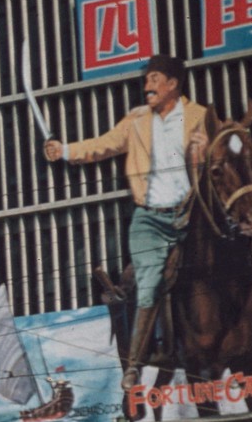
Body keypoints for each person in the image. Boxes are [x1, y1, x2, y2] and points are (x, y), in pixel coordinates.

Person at [44, 54, 212, 381]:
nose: (147, 86)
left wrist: (204, 151)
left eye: (154, 79)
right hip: (150, 218)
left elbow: (220, 155)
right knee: (148, 283)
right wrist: (64, 151)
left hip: (192, 213)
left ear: (173, 84)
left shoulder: (200, 117)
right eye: (147, 80)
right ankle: (135, 362)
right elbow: (103, 145)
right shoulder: (136, 121)